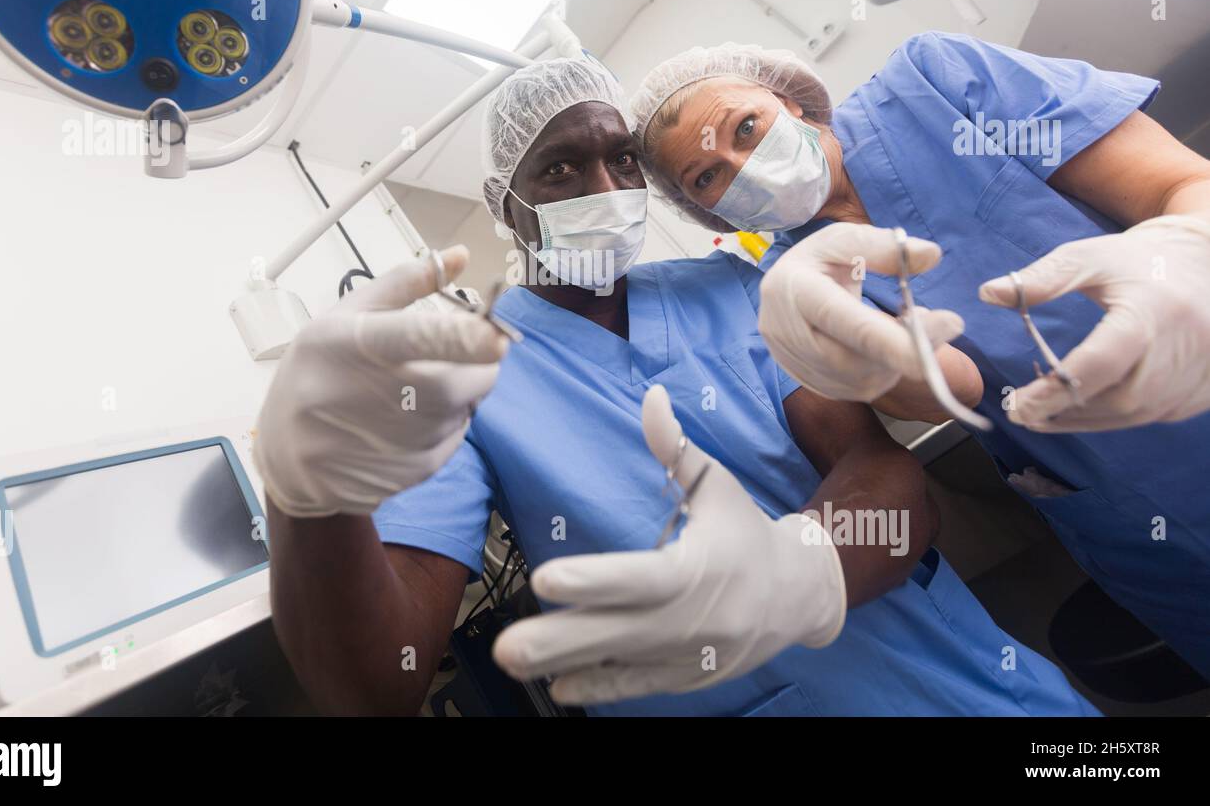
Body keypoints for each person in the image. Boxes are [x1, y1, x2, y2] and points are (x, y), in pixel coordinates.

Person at [254, 55, 1096, 715]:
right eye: (561, 169)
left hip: (961, 681)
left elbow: (878, 470)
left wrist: (791, 574)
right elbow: (377, 685)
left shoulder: (731, 287)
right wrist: (307, 498)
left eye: (622, 160)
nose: (606, 189)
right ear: (506, 206)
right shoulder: (464, 381)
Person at [629, 33, 1210, 678]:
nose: (744, 165)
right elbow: (952, 391)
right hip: (1120, 501)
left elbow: (1178, 183)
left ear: (788, 101)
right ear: (706, 214)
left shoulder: (933, 85)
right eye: (707, 176)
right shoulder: (795, 282)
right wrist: (876, 358)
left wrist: (1182, 250)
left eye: (746, 127)